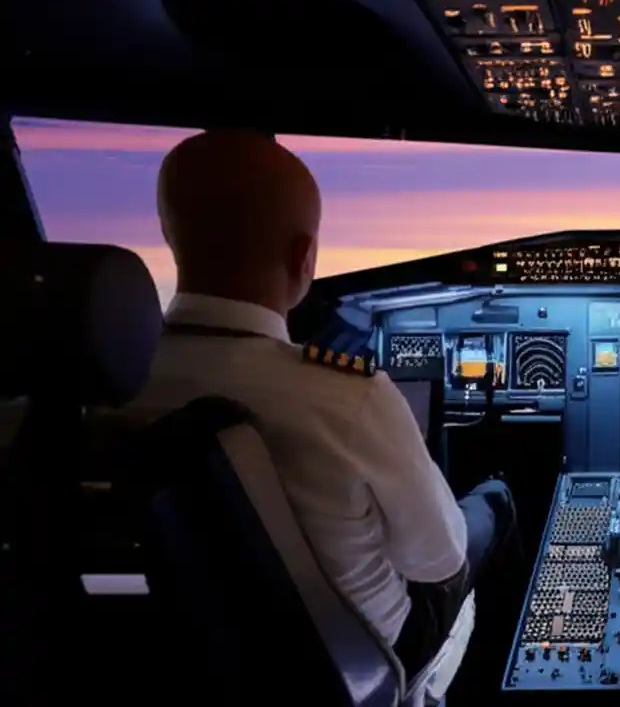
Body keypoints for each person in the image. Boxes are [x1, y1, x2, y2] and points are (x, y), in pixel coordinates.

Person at [123, 129, 516, 673]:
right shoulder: (347, 396)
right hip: (361, 657)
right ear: (303, 255)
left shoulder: (98, 389)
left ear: (170, 236)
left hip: (187, 654)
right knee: (495, 500)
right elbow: (438, 562)